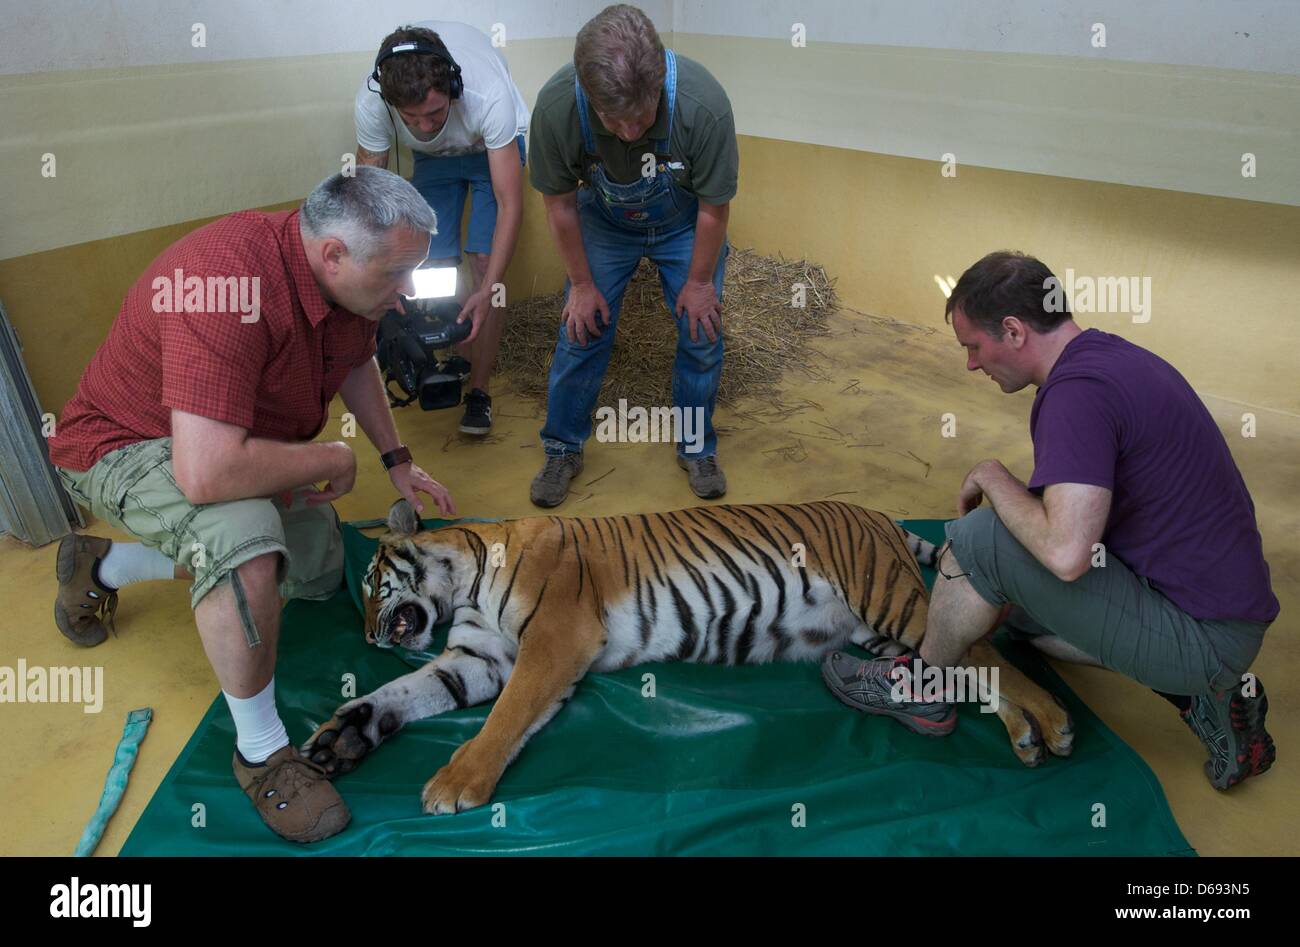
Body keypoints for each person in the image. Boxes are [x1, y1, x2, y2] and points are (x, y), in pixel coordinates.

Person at [48, 167, 457, 842]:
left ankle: (105, 568)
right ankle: (262, 751)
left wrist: (395, 458)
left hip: (217, 438)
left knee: (319, 559)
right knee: (244, 535)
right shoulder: (222, 283)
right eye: (396, 273)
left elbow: (355, 360)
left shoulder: (347, 285)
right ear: (333, 255)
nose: (408, 291)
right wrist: (332, 457)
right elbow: (205, 472)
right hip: (124, 446)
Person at [822, 250, 1279, 790]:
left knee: (980, 538)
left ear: (1013, 330)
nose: (972, 364)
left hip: (1203, 638)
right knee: (1013, 615)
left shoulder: (1076, 396)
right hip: (1221, 616)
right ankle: (1204, 694)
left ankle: (922, 688)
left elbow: (1066, 555)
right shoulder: (1111, 358)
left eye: (973, 346)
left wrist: (992, 476)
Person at [526, 4, 739, 506]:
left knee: (700, 331)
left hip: (684, 220)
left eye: (641, 118)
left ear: (658, 83)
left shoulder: (701, 104)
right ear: (586, 91)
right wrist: (581, 285)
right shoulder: (557, 106)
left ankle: (695, 445)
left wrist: (700, 283)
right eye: (612, 121)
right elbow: (557, 205)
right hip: (602, 219)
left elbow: (714, 207)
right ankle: (562, 447)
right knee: (581, 330)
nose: (628, 134)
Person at [355, 21, 530, 434]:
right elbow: (368, 198)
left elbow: (509, 204)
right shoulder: (371, 103)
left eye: (434, 112)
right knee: (431, 261)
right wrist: (380, 277)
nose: (426, 125)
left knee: (485, 263)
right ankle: (449, 354)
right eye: (411, 118)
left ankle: (480, 391)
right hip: (433, 161)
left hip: (492, 145)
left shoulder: (489, 95)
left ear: (452, 86)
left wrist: (489, 290)